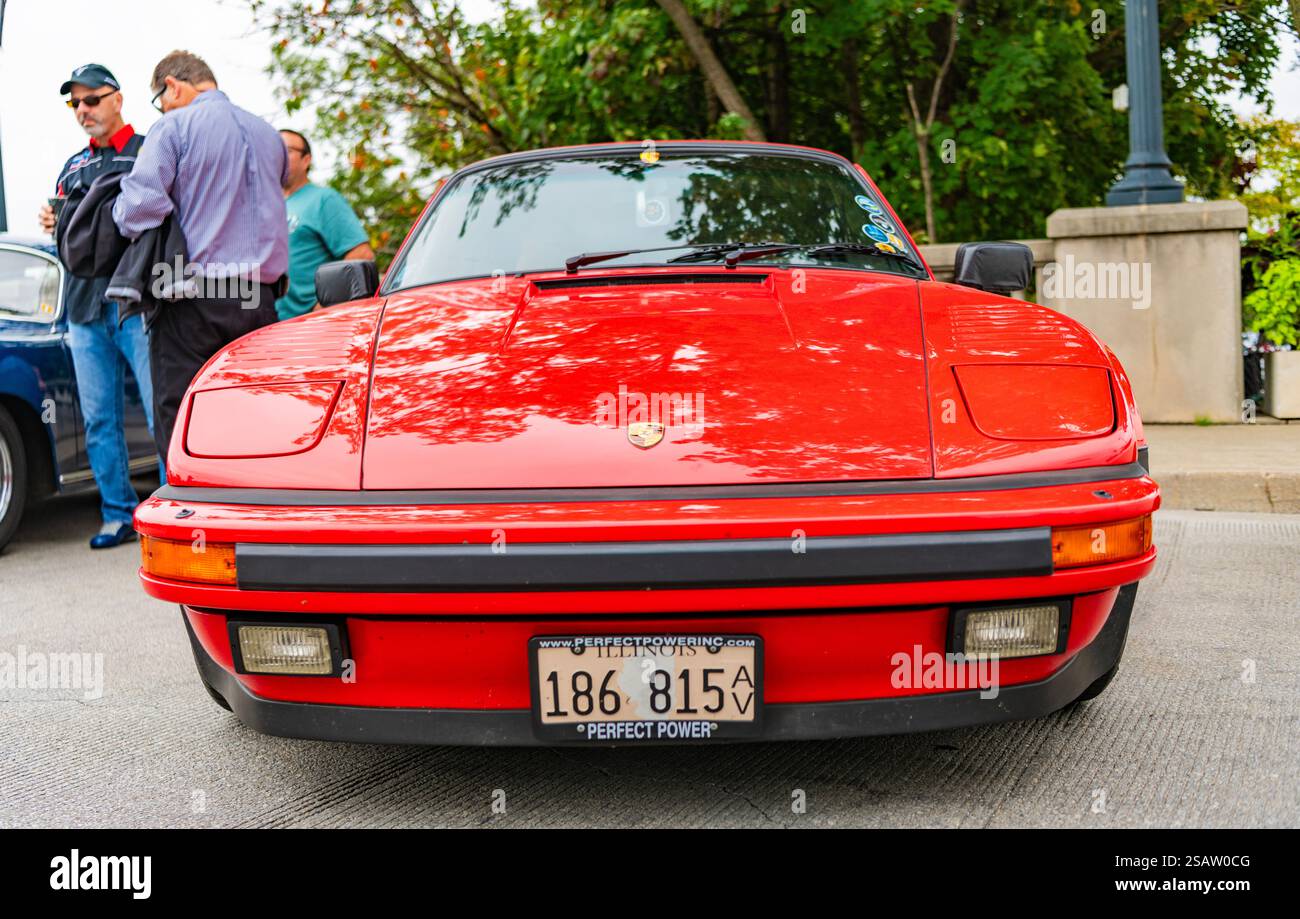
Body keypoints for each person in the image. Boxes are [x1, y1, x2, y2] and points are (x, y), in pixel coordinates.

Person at [112, 50, 288, 462]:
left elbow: (137, 210)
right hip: (259, 300)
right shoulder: (269, 135)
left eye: (159, 99)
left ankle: (195, 502)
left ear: (172, 86)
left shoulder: (173, 126)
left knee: (185, 427)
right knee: (256, 424)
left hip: (194, 300)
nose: (161, 108)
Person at [39, 64, 156, 549]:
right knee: (99, 420)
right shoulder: (71, 166)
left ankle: (174, 517)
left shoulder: (149, 150)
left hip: (140, 303)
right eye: (75, 103)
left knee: (161, 412)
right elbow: (67, 233)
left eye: (91, 99)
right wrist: (52, 221)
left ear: (117, 99)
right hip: (84, 309)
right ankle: (117, 515)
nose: (83, 110)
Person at [275, 130, 374, 321]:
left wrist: (324, 308)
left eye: (287, 150)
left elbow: (361, 255)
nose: (279, 156)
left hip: (312, 323)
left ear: (306, 160)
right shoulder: (267, 206)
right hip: (270, 324)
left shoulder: (324, 199)